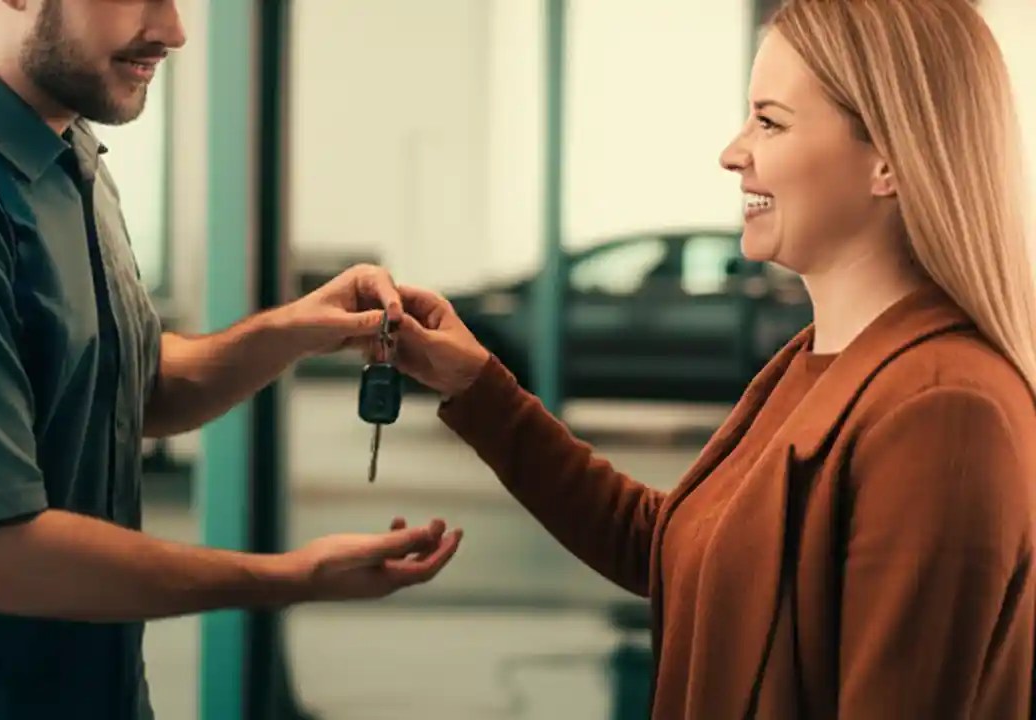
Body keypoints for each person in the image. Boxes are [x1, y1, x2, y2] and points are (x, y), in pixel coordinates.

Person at [0, 1, 461, 718]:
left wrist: (296, 331)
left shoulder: (62, 153)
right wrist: (291, 578)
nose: (173, 31)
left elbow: (130, 390)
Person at [387, 0, 1036, 716]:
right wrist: (474, 385)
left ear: (888, 159)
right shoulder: (818, 365)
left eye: (770, 122)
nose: (733, 152)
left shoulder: (944, 412)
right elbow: (676, 548)